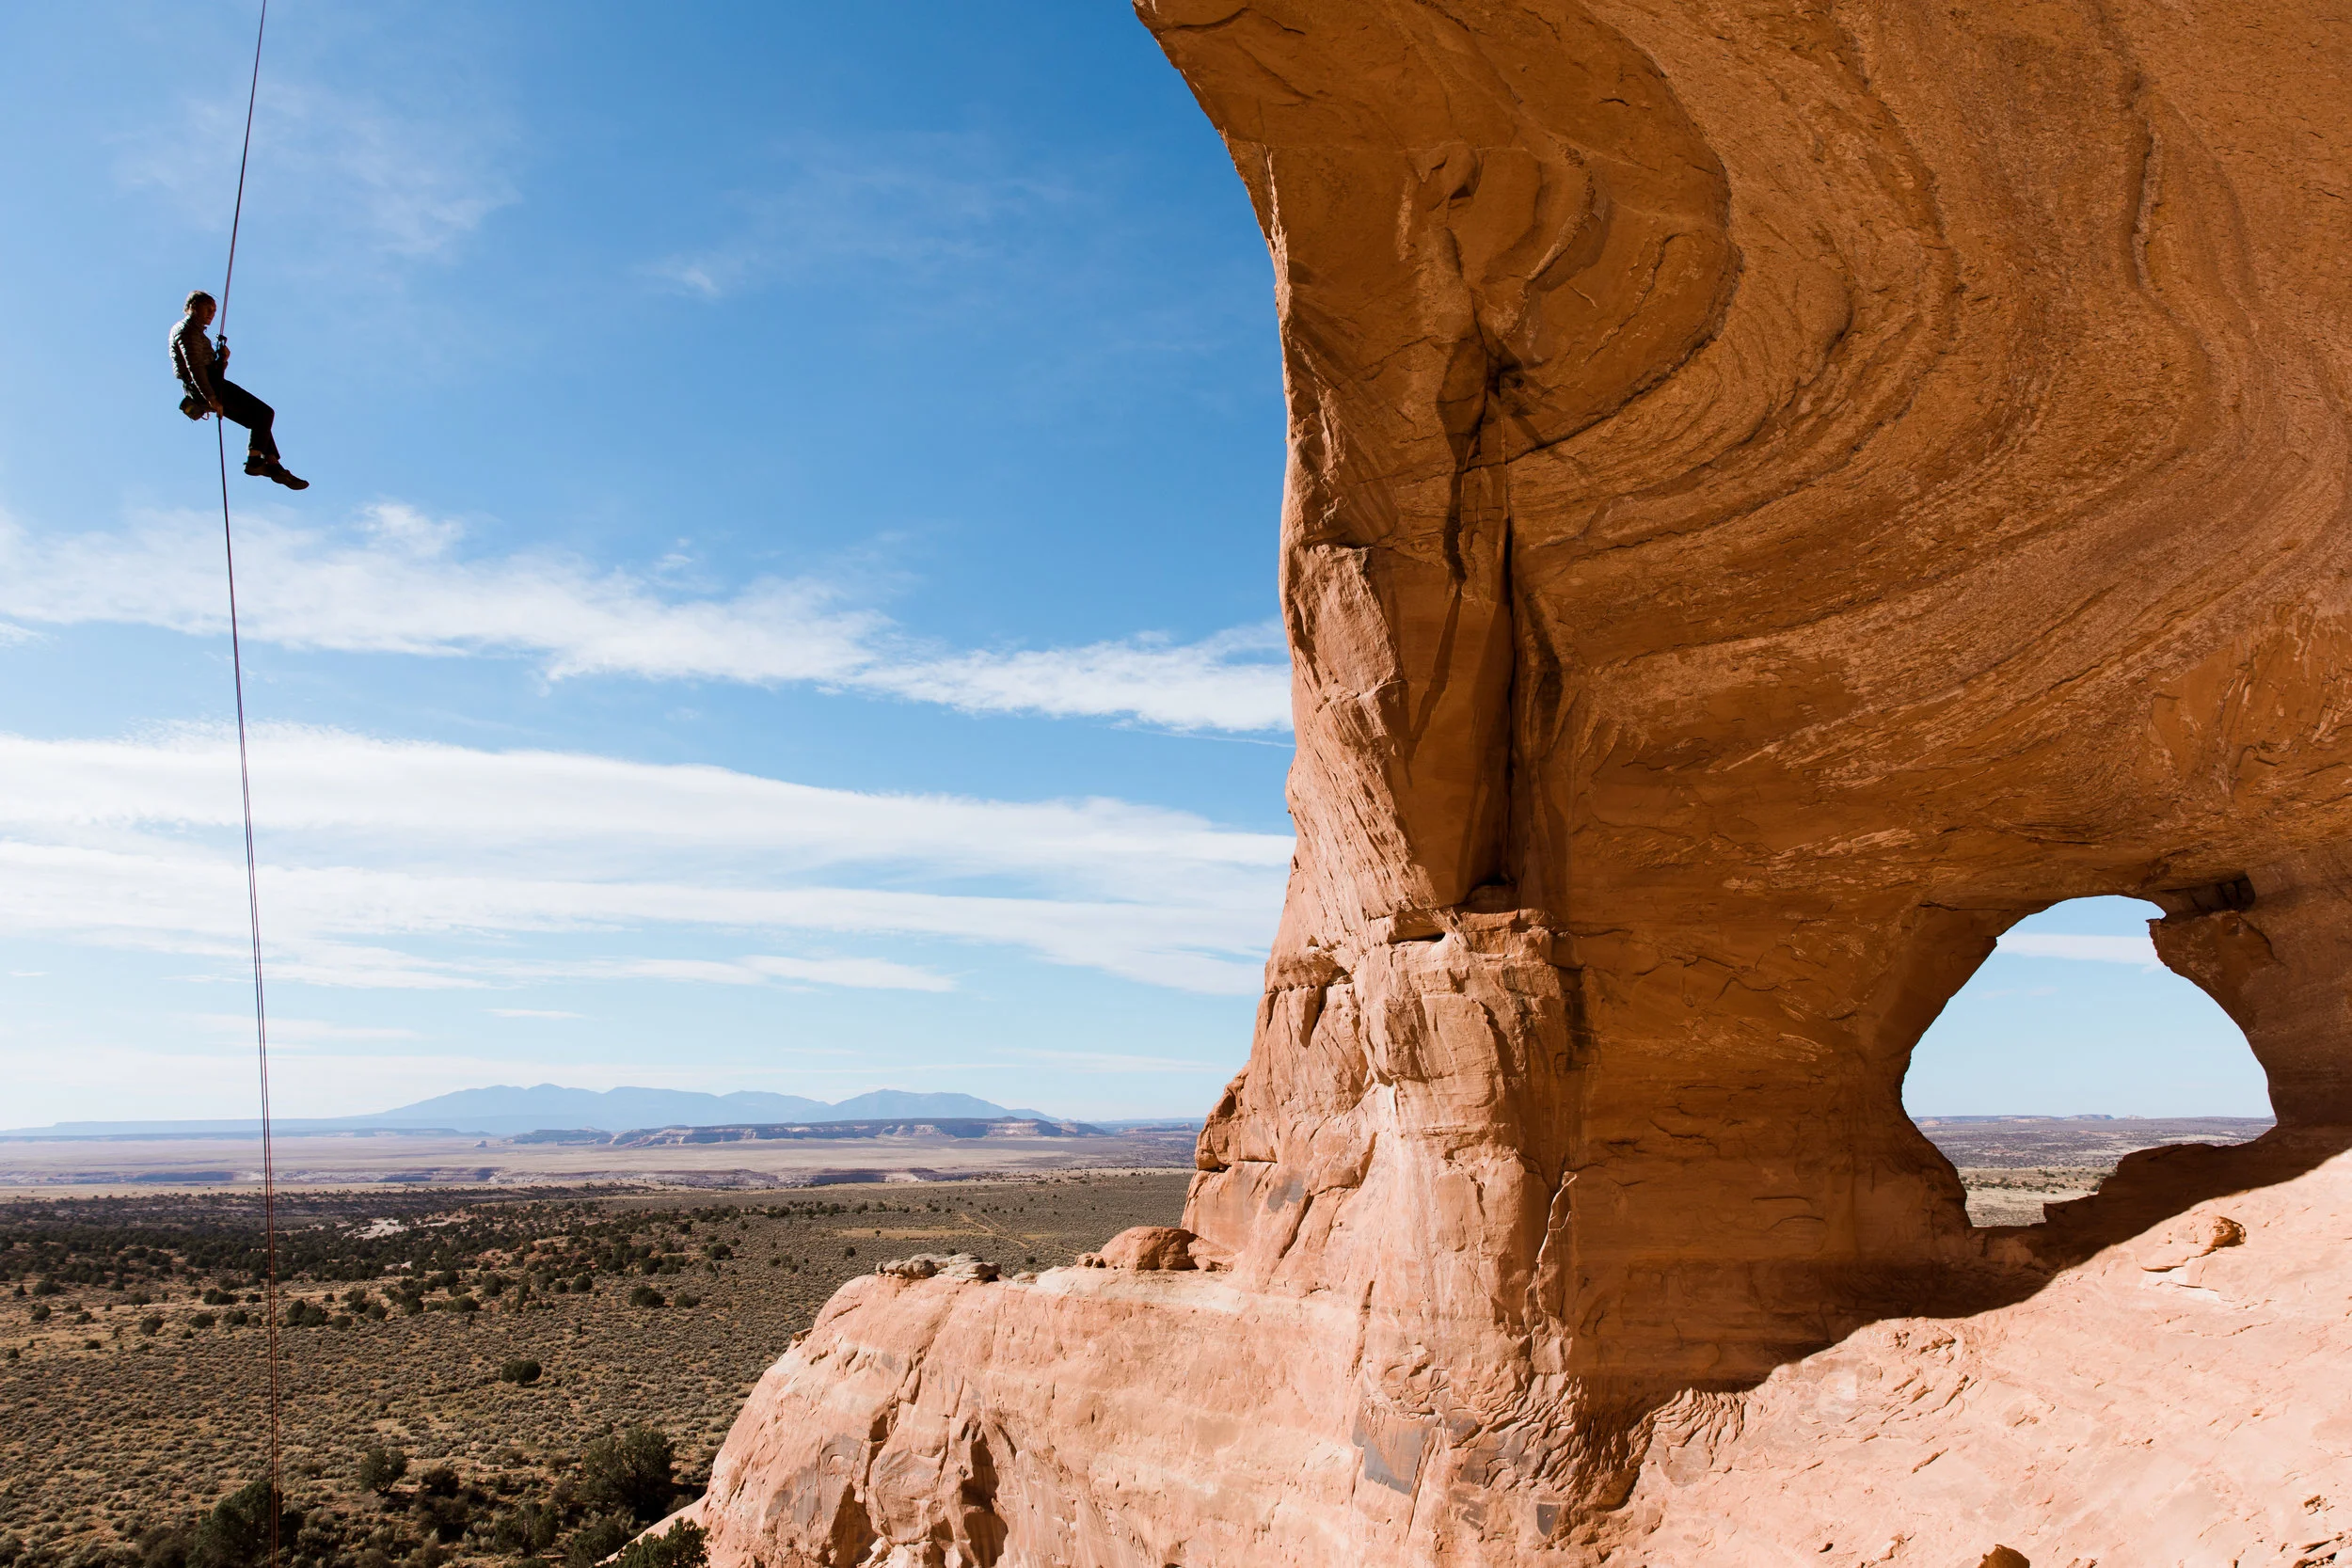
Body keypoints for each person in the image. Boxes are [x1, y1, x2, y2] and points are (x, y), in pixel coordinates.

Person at [170, 290, 307, 490]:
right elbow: (195, 368)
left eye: (214, 310)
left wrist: (222, 359)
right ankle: (255, 461)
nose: (211, 313)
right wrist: (211, 397)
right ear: (192, 307)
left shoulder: (195, 332)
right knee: (264, 413)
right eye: (207, 307)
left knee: (259, 421)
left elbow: (206, 368)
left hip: (206, 384)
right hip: (206, 386)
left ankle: (272, 464)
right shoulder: (187, 330)